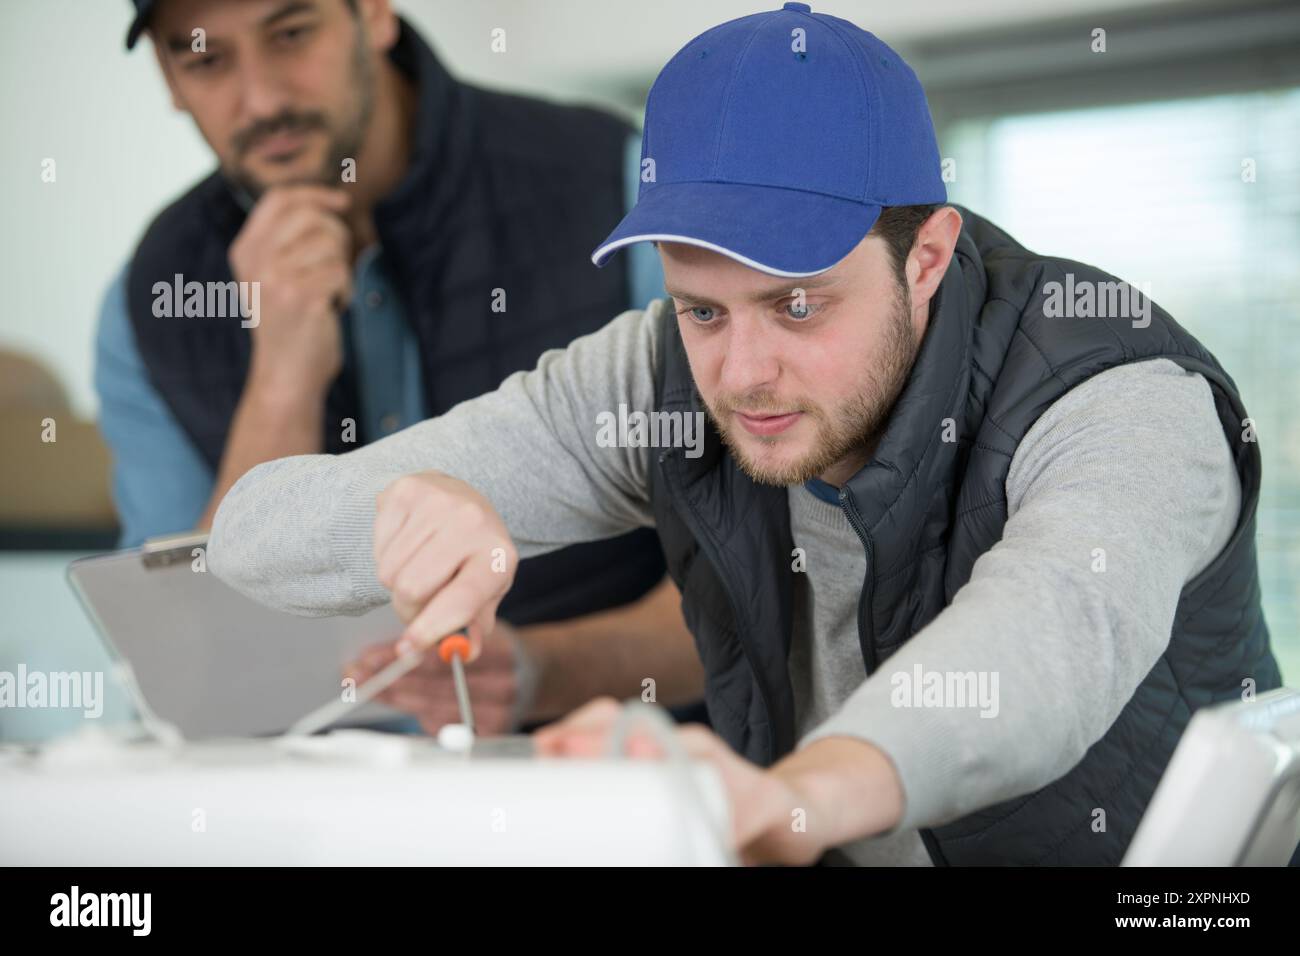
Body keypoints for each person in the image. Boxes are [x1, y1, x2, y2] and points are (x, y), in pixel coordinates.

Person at [206, 3, 1280, 865]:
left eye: (798, 305)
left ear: (927, 256)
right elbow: (244, 540)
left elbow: (1039, 647)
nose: (742, 371)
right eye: (702, 307)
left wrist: (793, 799)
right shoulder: (661, 372)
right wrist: (402, 500)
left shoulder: (1119, 393)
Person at [94, 0, 704, 735]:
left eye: (290, 35)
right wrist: (283, 378)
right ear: (167, 74)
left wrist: (546, 670)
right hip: (311, 813)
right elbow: (189, 688)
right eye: (205, 58)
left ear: (376, 13)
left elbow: (766, 577)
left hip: (599, 781)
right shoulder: (151, 300)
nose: (261, 100)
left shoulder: (619, 195)